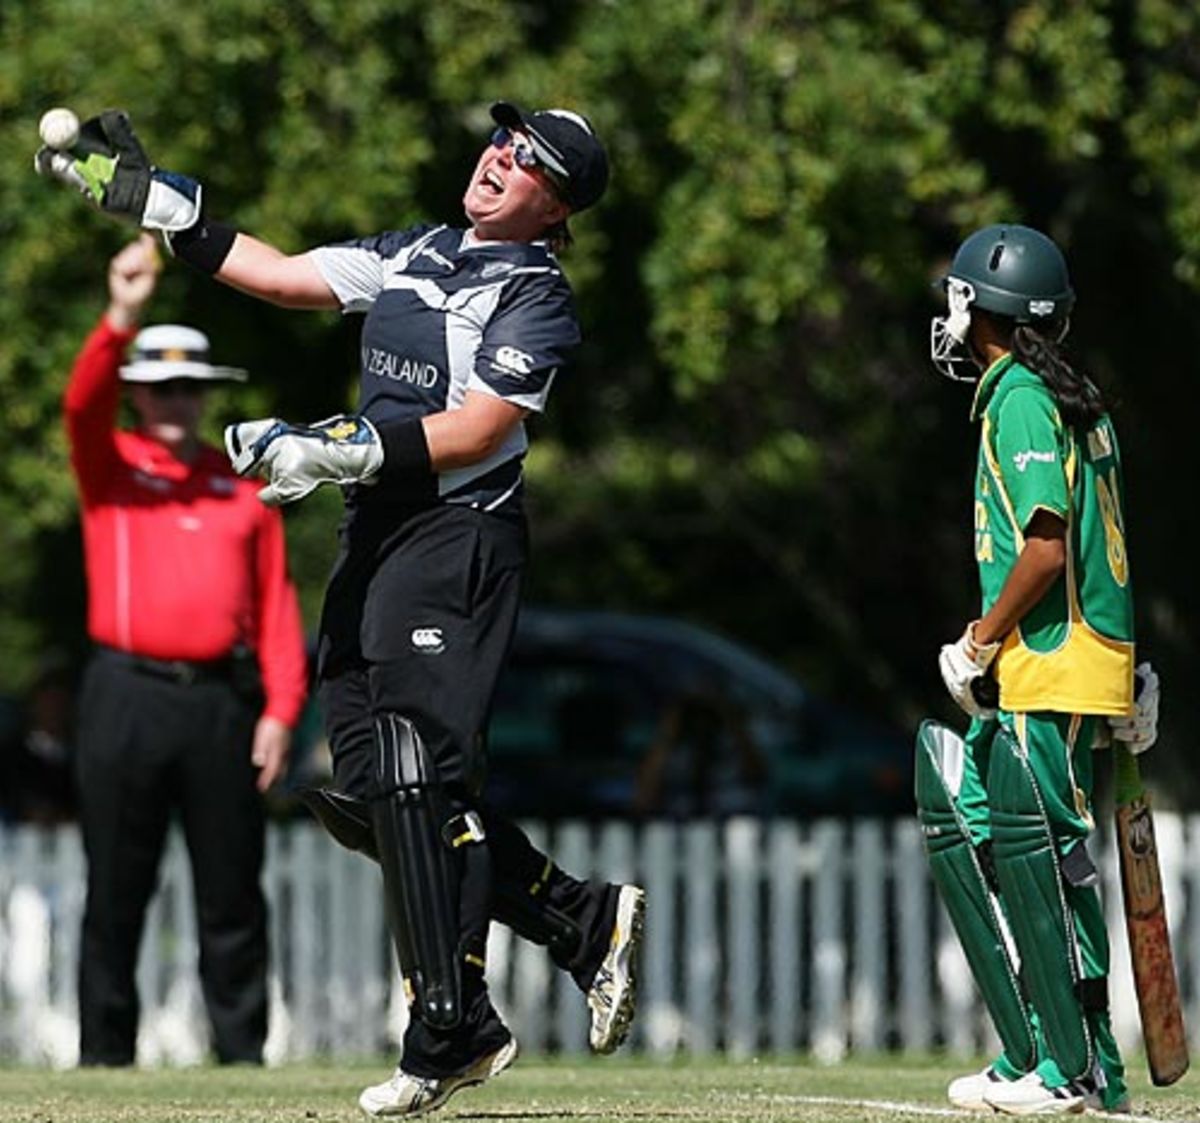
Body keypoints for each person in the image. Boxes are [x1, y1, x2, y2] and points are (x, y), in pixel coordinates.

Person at [38, 105, 646, 1115]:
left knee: (420, 779)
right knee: (373, 795)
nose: (500, 159)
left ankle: (450, 1026)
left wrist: (341, 447)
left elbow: (478, 429)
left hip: (455, 539)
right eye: (502, 142)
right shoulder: (418, 250)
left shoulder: (536, 295)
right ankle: (579, 919)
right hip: (376, 534)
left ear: (557, 207)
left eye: (529, 161)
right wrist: (172, 214)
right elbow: (283, 276)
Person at [916, 223, 1160, 1115]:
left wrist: (979, 641)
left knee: (1046, 860)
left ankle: (1075, 1069)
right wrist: (1131, 669)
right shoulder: (1073, 396)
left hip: (1046, 665)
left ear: (979, 307)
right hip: (1080, 663)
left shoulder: (1019, 396)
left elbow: (1050, 549)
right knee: (979, 819)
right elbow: (1106, 549)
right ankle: (1043, 1053)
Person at [63, 235, 309, 1066]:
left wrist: (281, 709)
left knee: (232, 890)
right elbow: (82, 402)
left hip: (218, 702)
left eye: (188, 388)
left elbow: (276, 604)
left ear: (206, 396)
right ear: (138, 394)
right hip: (124, 695)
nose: (175, 400)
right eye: (160, 387)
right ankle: (104, 1060)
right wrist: (122, 314)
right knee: (115, 889)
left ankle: (242, 1059)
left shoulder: (242, 486)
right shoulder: (109, 465)